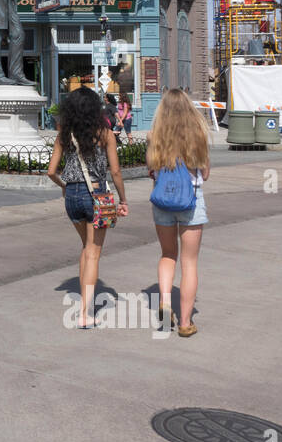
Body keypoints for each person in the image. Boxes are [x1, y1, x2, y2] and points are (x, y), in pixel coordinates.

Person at [44, 86, 129, 329]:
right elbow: (115, 171)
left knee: (85, 247)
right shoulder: (105, 134)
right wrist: (123, 200)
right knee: (93, 252)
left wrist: (64, 186)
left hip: (71, 194)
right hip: (97, 195)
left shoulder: (64, 135)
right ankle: (84, 312)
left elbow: (51, 171)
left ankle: (83, 302)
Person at [147, 89, 210, 337]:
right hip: (191, 203)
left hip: (162, 201)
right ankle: (185, 322)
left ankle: (164, 303)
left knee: (168, 254)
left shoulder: (154, 135)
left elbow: (151, 170)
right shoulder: (198, 135)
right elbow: (204, 174)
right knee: (189, 261)